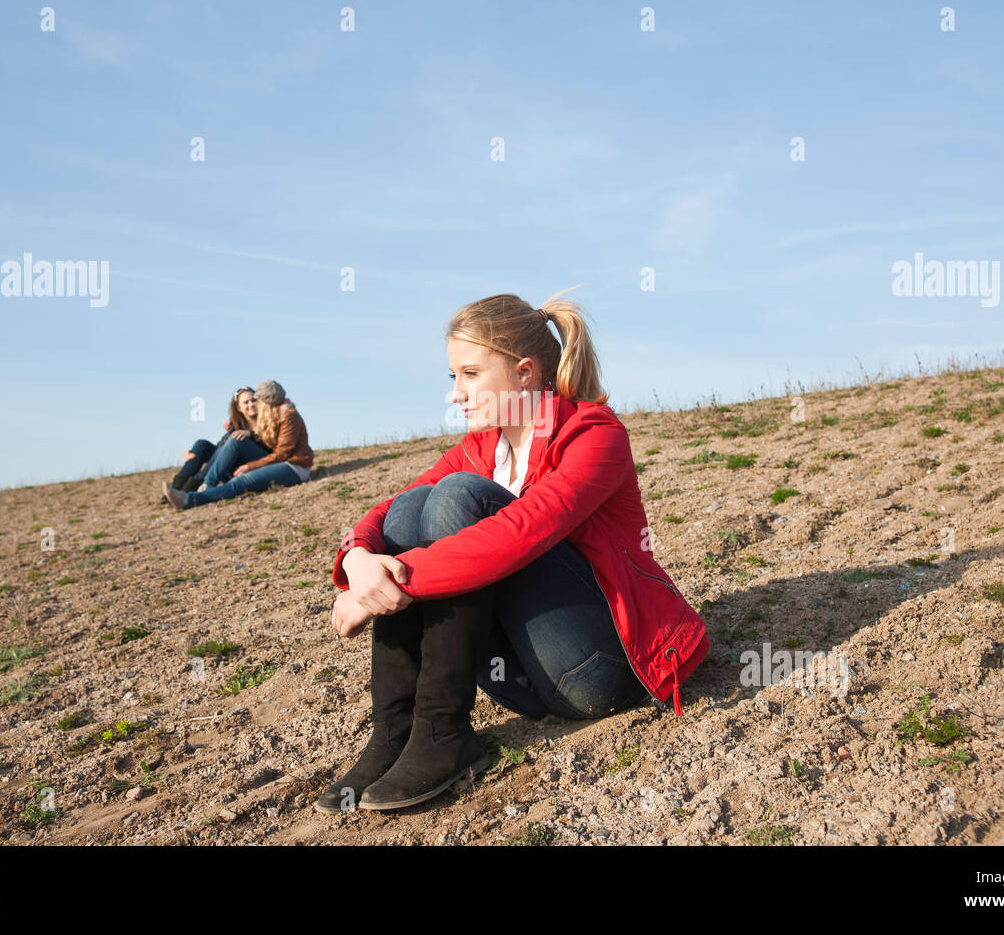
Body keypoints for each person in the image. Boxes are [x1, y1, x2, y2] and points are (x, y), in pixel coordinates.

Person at [317, 287, 710, 814]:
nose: (456, 393)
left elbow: (513, 539)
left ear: (524, 373)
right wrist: (357, 561)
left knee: (458, 499)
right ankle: (402, 729)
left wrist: (386, 588)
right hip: (525, 683)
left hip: (603, 671)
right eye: (453, 377)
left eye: (471, 374)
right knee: (413, 508)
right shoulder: (482, 447)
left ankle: (443, 730)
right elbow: (387, 513)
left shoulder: (594, 434)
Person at [163, 380, 314, 509]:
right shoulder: (273, 416)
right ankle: (202, 487)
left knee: (241, 480)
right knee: (223, 444)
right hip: (280, 463)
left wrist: (250, 466)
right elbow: (225, 448)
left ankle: (191, 499)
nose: (255, 404)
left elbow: (283, 453)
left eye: (257, 400)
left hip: (295, 467)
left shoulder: (288, 415)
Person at [169, 387, 259, 492]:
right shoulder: (237, 425)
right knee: (202, 444)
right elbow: (222, 448)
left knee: (230, 444)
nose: (251, 404)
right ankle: (175, 488)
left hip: (253, 467)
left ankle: (193, 486)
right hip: (232, 466)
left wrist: (251, 434)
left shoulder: (266, 419)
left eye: (254, 400)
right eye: (246, 402)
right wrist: (192, 454)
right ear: (239, 408)